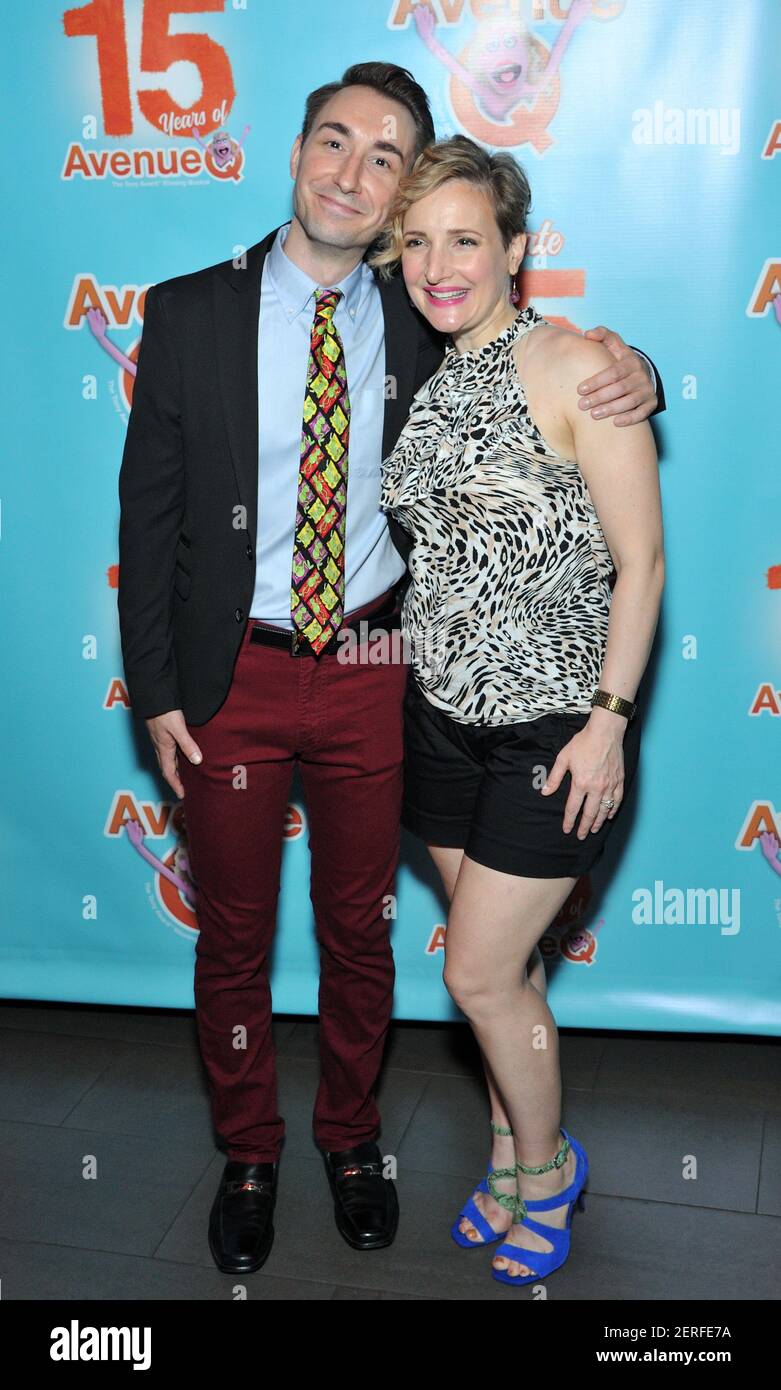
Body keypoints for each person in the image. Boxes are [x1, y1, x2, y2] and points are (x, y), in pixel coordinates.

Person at [117, 64, 665, 1276]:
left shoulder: (422, 308)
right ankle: (250, 1151)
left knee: (366, 932)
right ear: (297, 152)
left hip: (379, 665)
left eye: (385, 157)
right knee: (235, 940)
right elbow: (144, 518)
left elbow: (555, 369)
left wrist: (639, 371)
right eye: (335, 141)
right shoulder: (187, 312)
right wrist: (154, 686)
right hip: (233, 680)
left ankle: (353, 1142)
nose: (353, 172)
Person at [373, 134, 664, 1286]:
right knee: (508, 979)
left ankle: (550, 1173)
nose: (440, 263)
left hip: (553, 727)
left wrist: (609, 719)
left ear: (515, 248)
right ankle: (506, 1153)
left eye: (464, 238)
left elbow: (639, 564)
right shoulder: (430, 370)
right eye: (417, 242)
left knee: (478, 974)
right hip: (437, 717)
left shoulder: (578, 365)